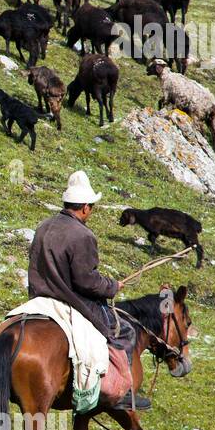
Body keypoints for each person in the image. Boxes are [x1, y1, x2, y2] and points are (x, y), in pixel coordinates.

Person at [27, 170, 149, 411]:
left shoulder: (43, 227)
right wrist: (112, 286)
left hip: (38, 298)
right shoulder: (83, 235)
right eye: (91, 208)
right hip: (71, 302)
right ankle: (120, 392)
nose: (90, 212)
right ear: (84, 207)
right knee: (123, 331)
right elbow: (86, 281)